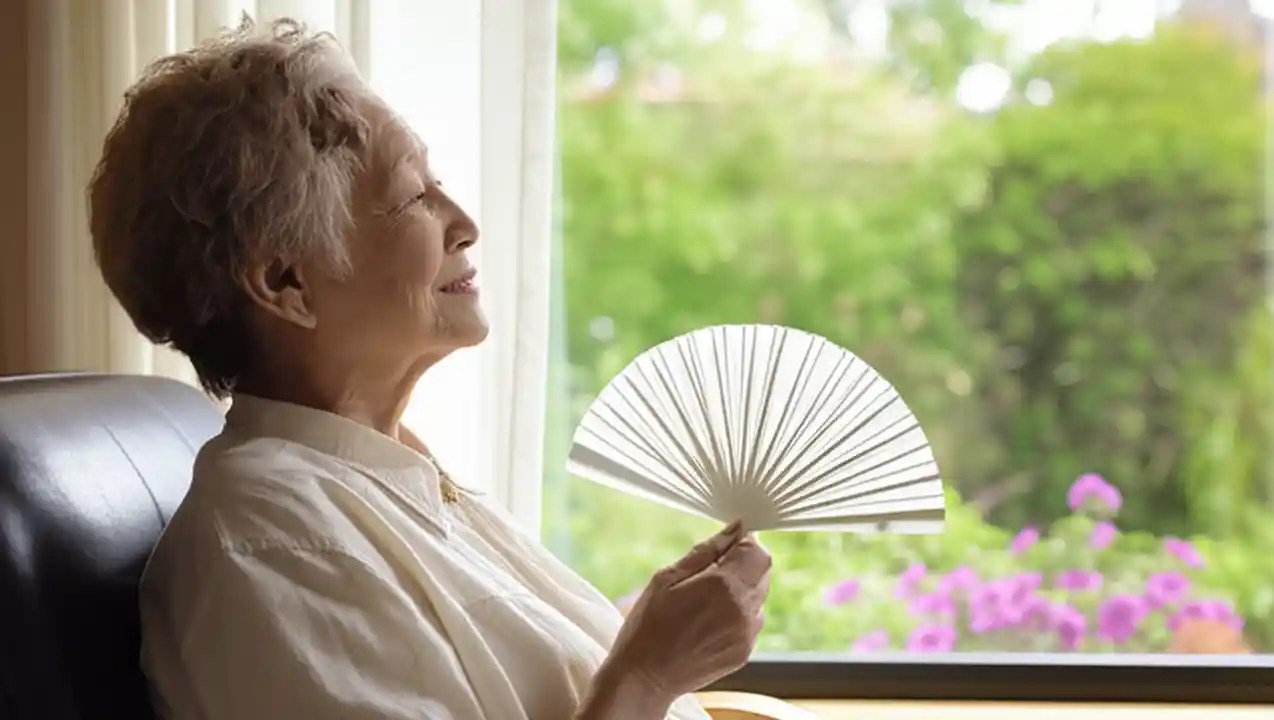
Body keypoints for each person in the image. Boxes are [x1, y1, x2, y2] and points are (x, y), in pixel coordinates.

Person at [88, 18, 771, 720]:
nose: (465, 221)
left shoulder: (391, 480)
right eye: (415, 196)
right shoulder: (272, 543)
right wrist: (647, 675)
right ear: (285, 281)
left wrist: (656, 644)